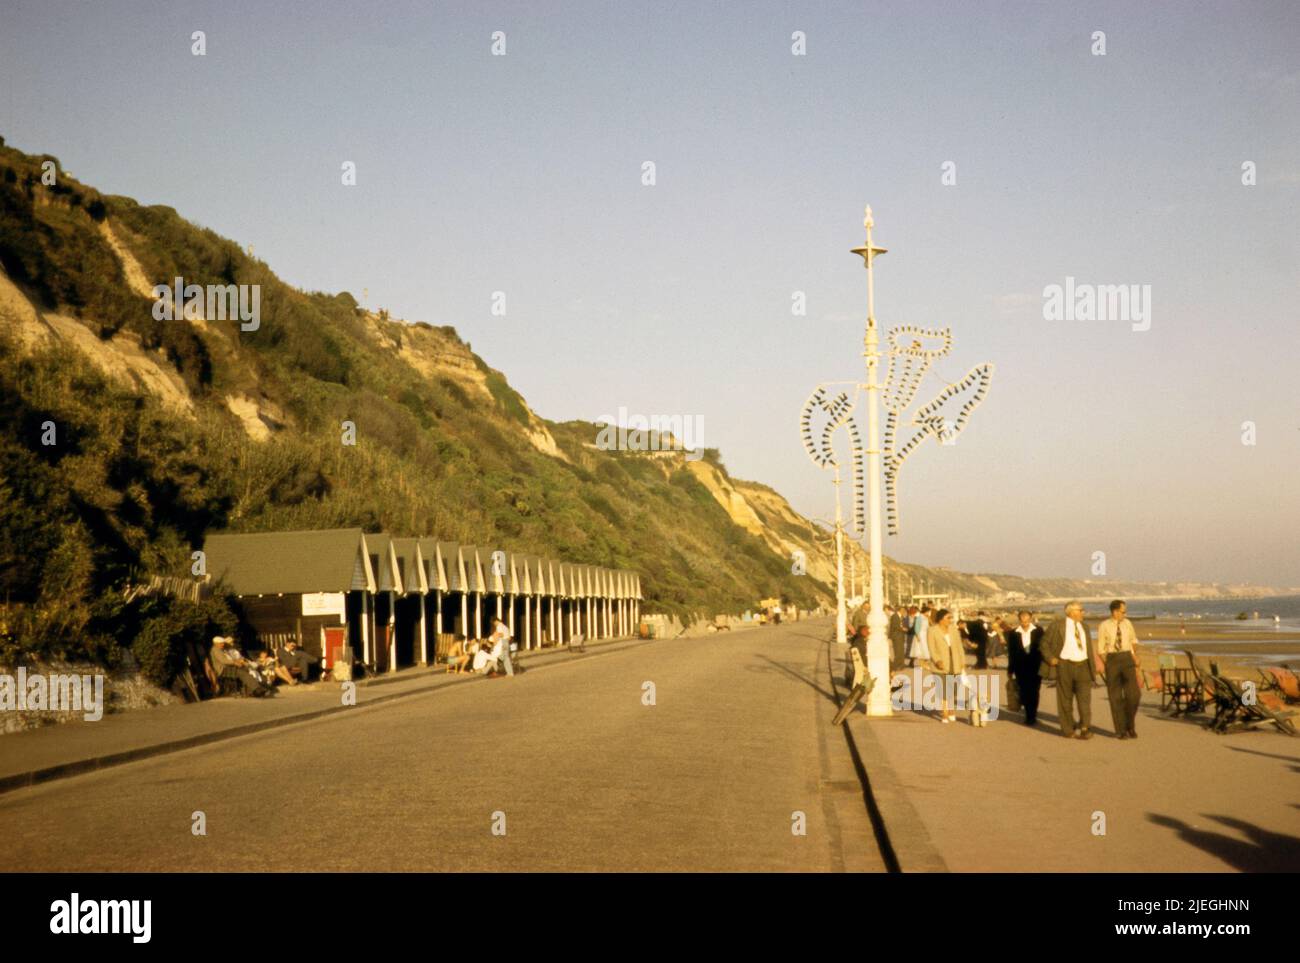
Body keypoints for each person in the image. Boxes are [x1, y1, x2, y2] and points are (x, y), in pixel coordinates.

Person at [1040, 601, 1097, 739]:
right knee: (1065, 699)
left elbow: (1088, 648)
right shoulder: (1057, 626)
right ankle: (1068, 729)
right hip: (1064, 665)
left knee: (1085, 700)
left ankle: (1085, 728)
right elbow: (1043, 643)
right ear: (1071, 612)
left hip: (1083, 665)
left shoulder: (1085, 627)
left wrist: (1093, 666)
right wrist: (1051, 658)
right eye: (1080, 610)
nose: (1083, 612)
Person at [1097, 599, 1142, 739]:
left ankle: (1130, 724)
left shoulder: (1127, 623)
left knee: (1134, 695)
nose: (1125, 614)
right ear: (1115, 612)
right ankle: (1121, 730)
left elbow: (1134, 640)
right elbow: (1100, 647)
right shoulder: (1104, 625)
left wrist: (1134, 655)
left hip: (1127, 657)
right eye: (1123, 611)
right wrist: (1107, 662)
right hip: (1112, 658)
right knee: (1115, 696)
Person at [927, 609, 967, 724]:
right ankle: (946, 712)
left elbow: (959, 646)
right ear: (941, 619)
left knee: (954, 687)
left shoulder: (954, 630)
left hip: (955, 661)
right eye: (948, 618)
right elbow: (931, 648)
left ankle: (951, 708)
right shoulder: (932, 631)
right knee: (943, 688)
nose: (950, 620)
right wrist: (937, 660)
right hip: (941, 663)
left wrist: (963, 661)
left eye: (951, 618)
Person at [1005, 610, 1044, 726]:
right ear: (1019, 620)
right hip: (1020, 666)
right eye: (1022, 620)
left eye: (1027, 620)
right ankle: (1028, 714)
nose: (1025, 623)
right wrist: (1010, 669)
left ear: (1031, 619)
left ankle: (1032, 714)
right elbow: (1011, 652)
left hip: (1036, 666)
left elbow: (1044, 647)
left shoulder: (1039, 631)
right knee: (1024, 691)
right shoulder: (1013, 633)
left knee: (1034, 691)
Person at [887, 605, 908, 672]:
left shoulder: (901, 616)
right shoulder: (895, 616)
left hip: (900, 636)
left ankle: (901, 665)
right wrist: (903, 629)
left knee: (901, 651)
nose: (904, 612)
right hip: (896, 636)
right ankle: (895, 666)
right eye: (903, 610)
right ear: (900, 610)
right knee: (898, 652)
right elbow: (895, 626)